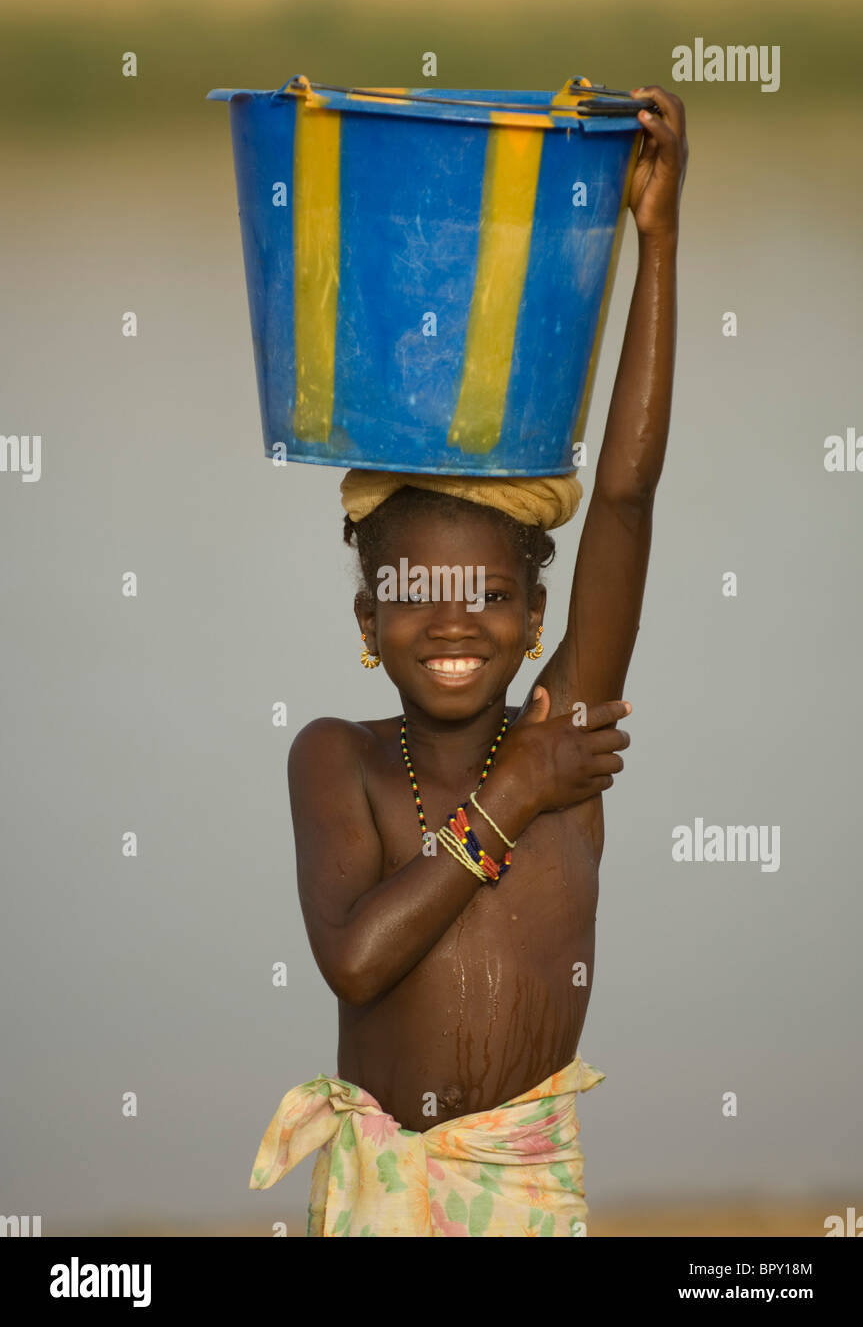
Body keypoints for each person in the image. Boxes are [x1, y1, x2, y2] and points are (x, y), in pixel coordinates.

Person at [249, 84, 688, 1236]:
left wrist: (656, 240)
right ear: (367, 622)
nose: (452, 622)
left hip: (526, 1187)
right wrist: (510, 796)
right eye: (414, 594)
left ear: (536, 615)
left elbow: (625, 497)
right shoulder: (337, 761)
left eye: (489, 594)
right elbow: (356, 960)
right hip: (383, 1199)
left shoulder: (560, 734)